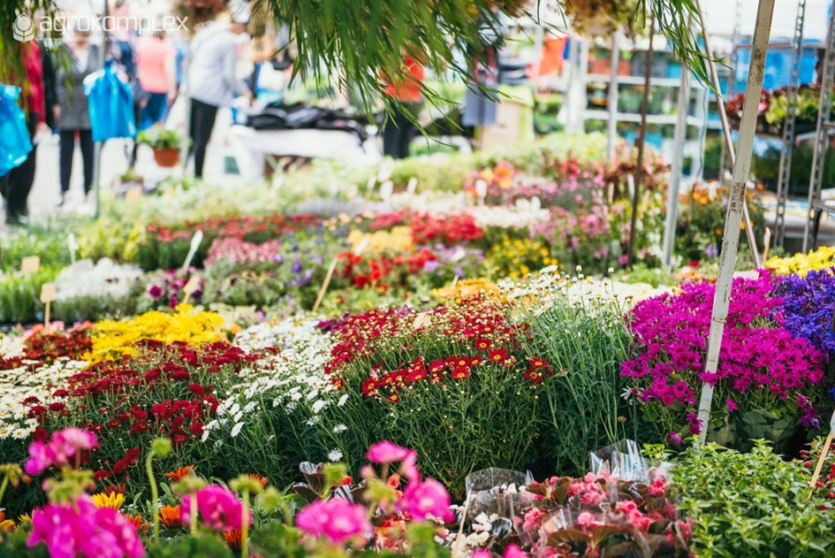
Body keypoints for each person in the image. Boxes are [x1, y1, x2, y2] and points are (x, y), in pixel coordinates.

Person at [187, 7, 252, 179]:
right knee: (202, 138)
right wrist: (245, 93)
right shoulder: (228, 41)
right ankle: (197, 176)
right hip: (210, 93)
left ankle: (185, 170)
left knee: (191, 135)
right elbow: (229, 74)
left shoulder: (208, 32)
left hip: (194, 87)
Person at [0, 39, 54, 224]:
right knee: (9, 160)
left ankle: (18, 206)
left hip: (30, 111)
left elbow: (39, 82)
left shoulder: (34, 46)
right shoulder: (5, 42)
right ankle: (11, 205)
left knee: (27, 164)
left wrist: (41, 118)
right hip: (8, 110)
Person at [54, 26, 101, 205]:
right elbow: (58, 78)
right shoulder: (63, 50)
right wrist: (56, 103)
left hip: (88, 107)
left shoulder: (95, 50)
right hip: (67, 105)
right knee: (65, 150)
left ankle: (89, 189)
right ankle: (64, 189)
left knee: (88, 150)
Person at [381, 54, 424, 159]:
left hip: (398, 99)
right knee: (405, 142)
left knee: (391, 142)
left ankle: (390, 168)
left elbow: (384, 74)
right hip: (414, 101)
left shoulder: (397, 56)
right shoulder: (418, 59)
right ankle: (403, 166)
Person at [135, 30, 176, 130]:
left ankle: (138, 141)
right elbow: (170, 70)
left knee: (142, 118)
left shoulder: (141, 45)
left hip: (142, 87)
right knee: (156, 121)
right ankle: (150, 142)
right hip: (159, 88)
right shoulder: (166, 48)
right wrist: (172, 90)